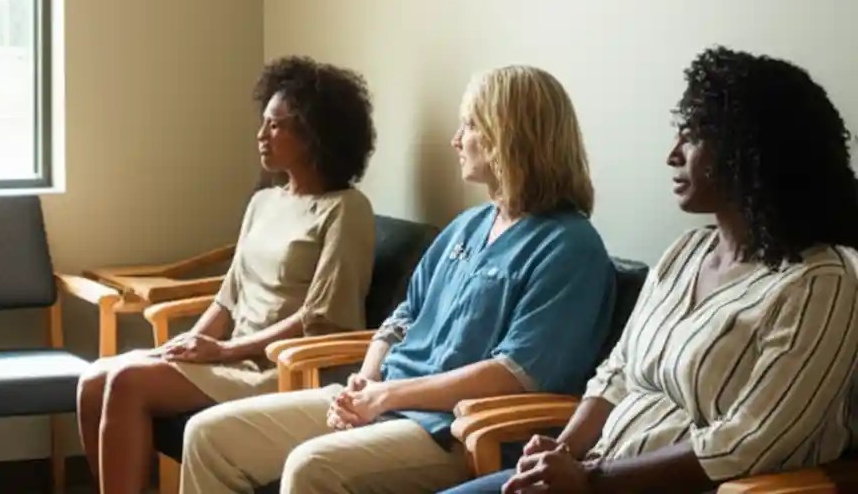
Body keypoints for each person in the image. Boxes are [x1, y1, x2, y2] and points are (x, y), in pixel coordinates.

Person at [180, 65, 618, 494]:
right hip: (387, 399)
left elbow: (514, 374)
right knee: (209, 436)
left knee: (313, 468)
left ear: (508, 136)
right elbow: (402, 318)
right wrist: (367, 381)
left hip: (454, 430)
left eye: (469, 125)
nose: (456, 139)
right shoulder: (468, 226)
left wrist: (387, 396)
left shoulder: (570, 248)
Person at [444, 47, 858, 494]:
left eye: (692, 138)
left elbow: (750, 441)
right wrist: (559, 455)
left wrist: (590, 480)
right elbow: (618, 371)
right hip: (597, 470)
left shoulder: (820, 282)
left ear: (748, 152)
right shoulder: (687, 251)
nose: (673, 155)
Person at [77, 56, 379, 494]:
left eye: (275, 126)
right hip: (231, 358)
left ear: (313, 135)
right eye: (263, 122)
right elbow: (229, 294)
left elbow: (321, 317)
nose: (261, 135)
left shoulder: (346, 210)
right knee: (93, 380)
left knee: (126, 383)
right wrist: (186, 345)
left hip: (283, 369)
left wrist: (223, 350)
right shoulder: (264, 202)